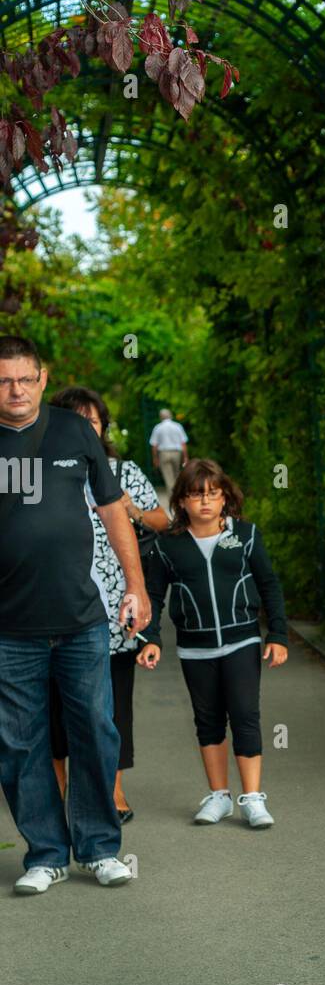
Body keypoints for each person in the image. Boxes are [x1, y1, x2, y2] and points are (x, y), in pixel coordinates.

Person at [0, 334, 151, 894]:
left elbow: (114, 511)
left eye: (24, 378)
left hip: (82, 621)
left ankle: (98, 848)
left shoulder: (73, 431)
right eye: (3, 380)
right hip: (10, 628)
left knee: (95, 731)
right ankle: (45, 854)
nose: (15, 390)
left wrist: (135, 586)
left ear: (42, 379)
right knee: (20, 743)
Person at [136, 458, 289, 827]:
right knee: (208, 721)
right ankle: (219, 796)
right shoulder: (167, 545)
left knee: (245, 716)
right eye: (195, 495)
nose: (204, 502)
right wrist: (150, 638)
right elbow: (154, 595)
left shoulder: (246, 535)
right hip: (194, 648)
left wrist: (278, 634)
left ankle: (252, 798)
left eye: (212, 494)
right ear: (181, 501)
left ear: (225, 498)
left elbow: (268, 584)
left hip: (242, 641)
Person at [47, 386, 171, 823]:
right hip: (53, 607)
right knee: (55, 706)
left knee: (113, 706)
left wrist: (128, 508)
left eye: (93, 421)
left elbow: (161, 519)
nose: (85, 429)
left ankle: (113, 790)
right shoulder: (41, 467)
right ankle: (61, 794)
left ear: (102, 428)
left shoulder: (121, 469)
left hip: (115, 607)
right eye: (76, 420)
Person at [149, 407, 188, 494]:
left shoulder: (157, 428)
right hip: (176, 453)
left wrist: (155, 459)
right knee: (177, 475)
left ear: (161, 417)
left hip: (164, 454)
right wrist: (185, 457)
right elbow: (183, 443)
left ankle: (173, 499)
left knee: (168, 478)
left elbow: (154, 445)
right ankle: (179, 496)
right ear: (170, 416)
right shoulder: (178, 426)